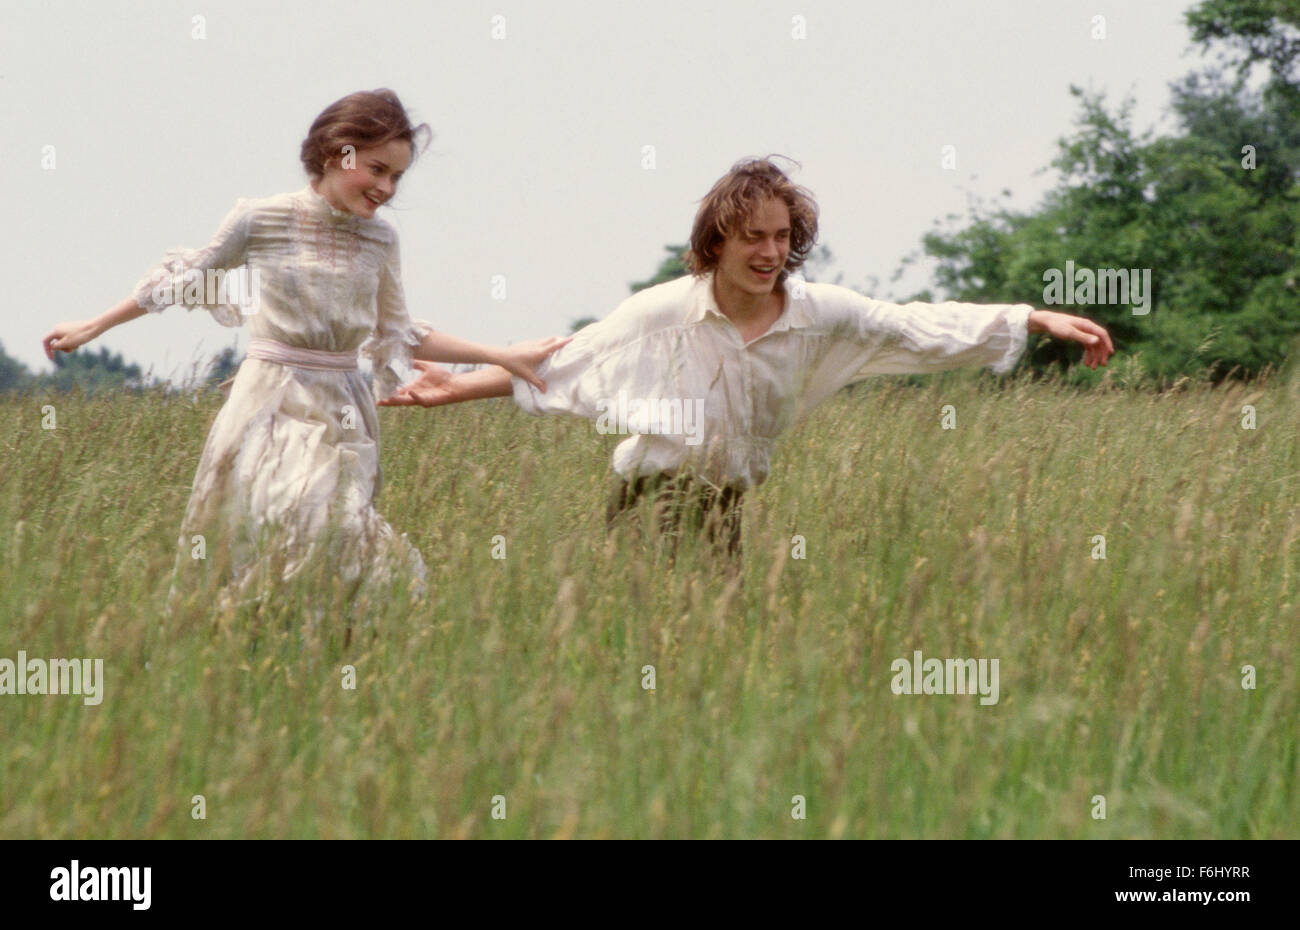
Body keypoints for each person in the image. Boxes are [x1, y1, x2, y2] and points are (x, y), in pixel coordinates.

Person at [380, 156, 1115, 560]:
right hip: (649, 503)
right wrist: (458, 387)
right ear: (718, 243)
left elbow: (916, 327)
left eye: (781, 237)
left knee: (716, 659)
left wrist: (1033, 317)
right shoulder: (667, 310)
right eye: (753, 237)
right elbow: (570, 362)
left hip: (727, 507)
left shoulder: (820, 314)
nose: (770, 252)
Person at [43, 89, 569, 609]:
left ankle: (309, 646)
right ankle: (236, 633)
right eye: (377, 169)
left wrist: (501, 356)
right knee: (300, 520)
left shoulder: (381, 240)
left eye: (397, 177)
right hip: (270, 400)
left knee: (343, 539)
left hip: (343, 405)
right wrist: (93, 326)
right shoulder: (261, 218)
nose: (387, 187)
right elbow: (185, 279)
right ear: (335, 154)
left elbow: (398, 331)